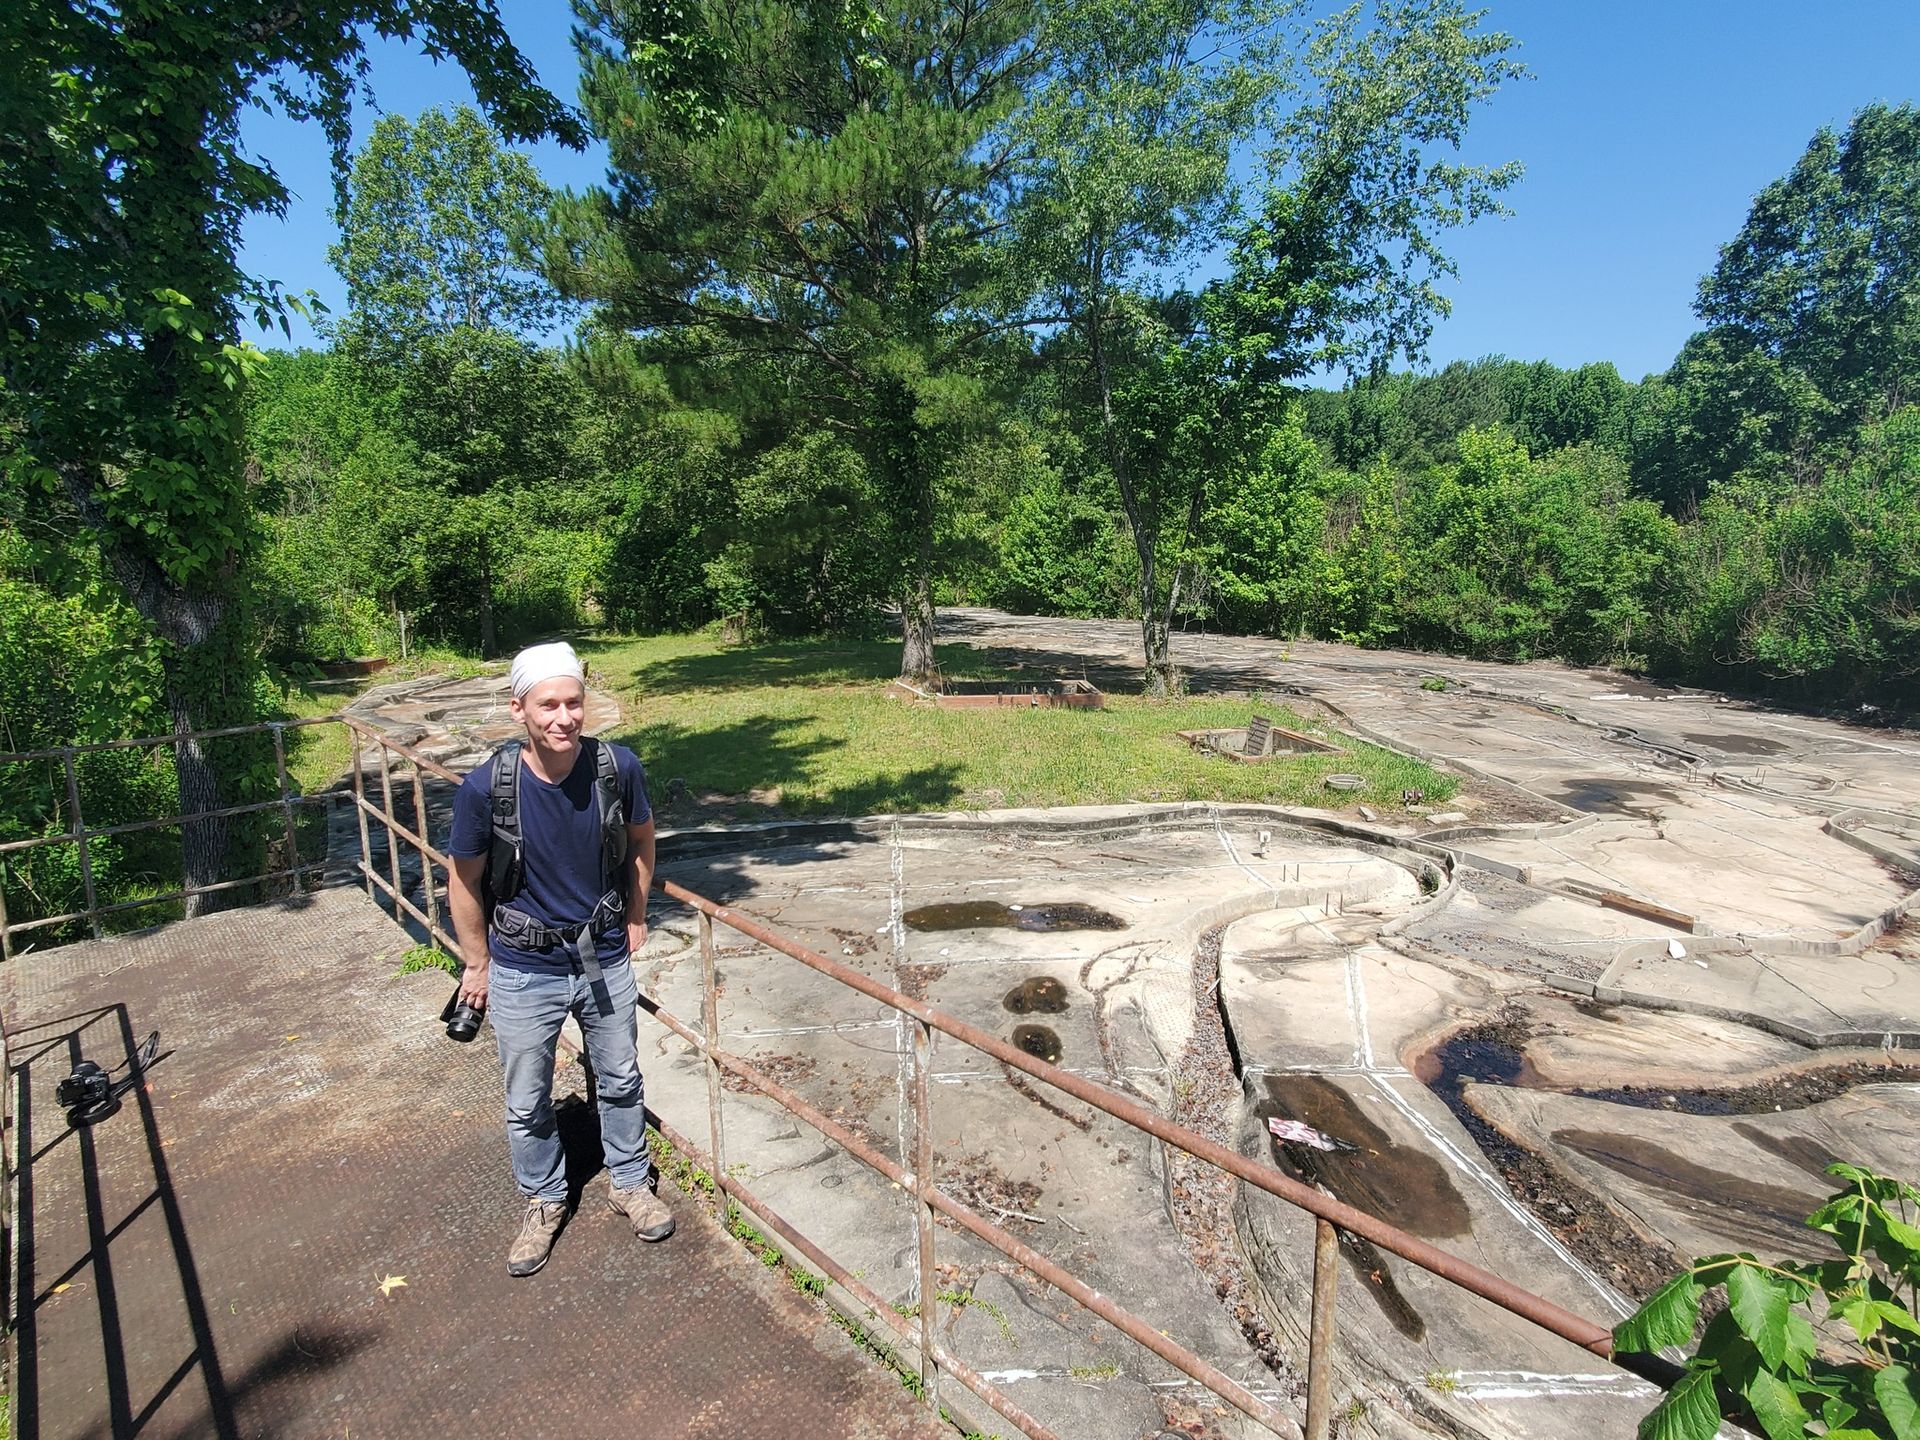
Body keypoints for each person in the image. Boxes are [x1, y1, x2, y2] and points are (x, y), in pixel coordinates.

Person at [446, 640, 674, 1277]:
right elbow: (461, 881)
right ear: (519, 708)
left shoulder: (617, 767)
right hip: (522, 965)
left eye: (574, 703)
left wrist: (636, 911)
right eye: (548, 704)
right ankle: (544, 1202)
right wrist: (476, 962)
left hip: (603, 955)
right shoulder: (484, 788)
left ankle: (630, 1183)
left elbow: (641, 839)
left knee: (623, 1078)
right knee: (527, 1100)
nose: (564, 718)